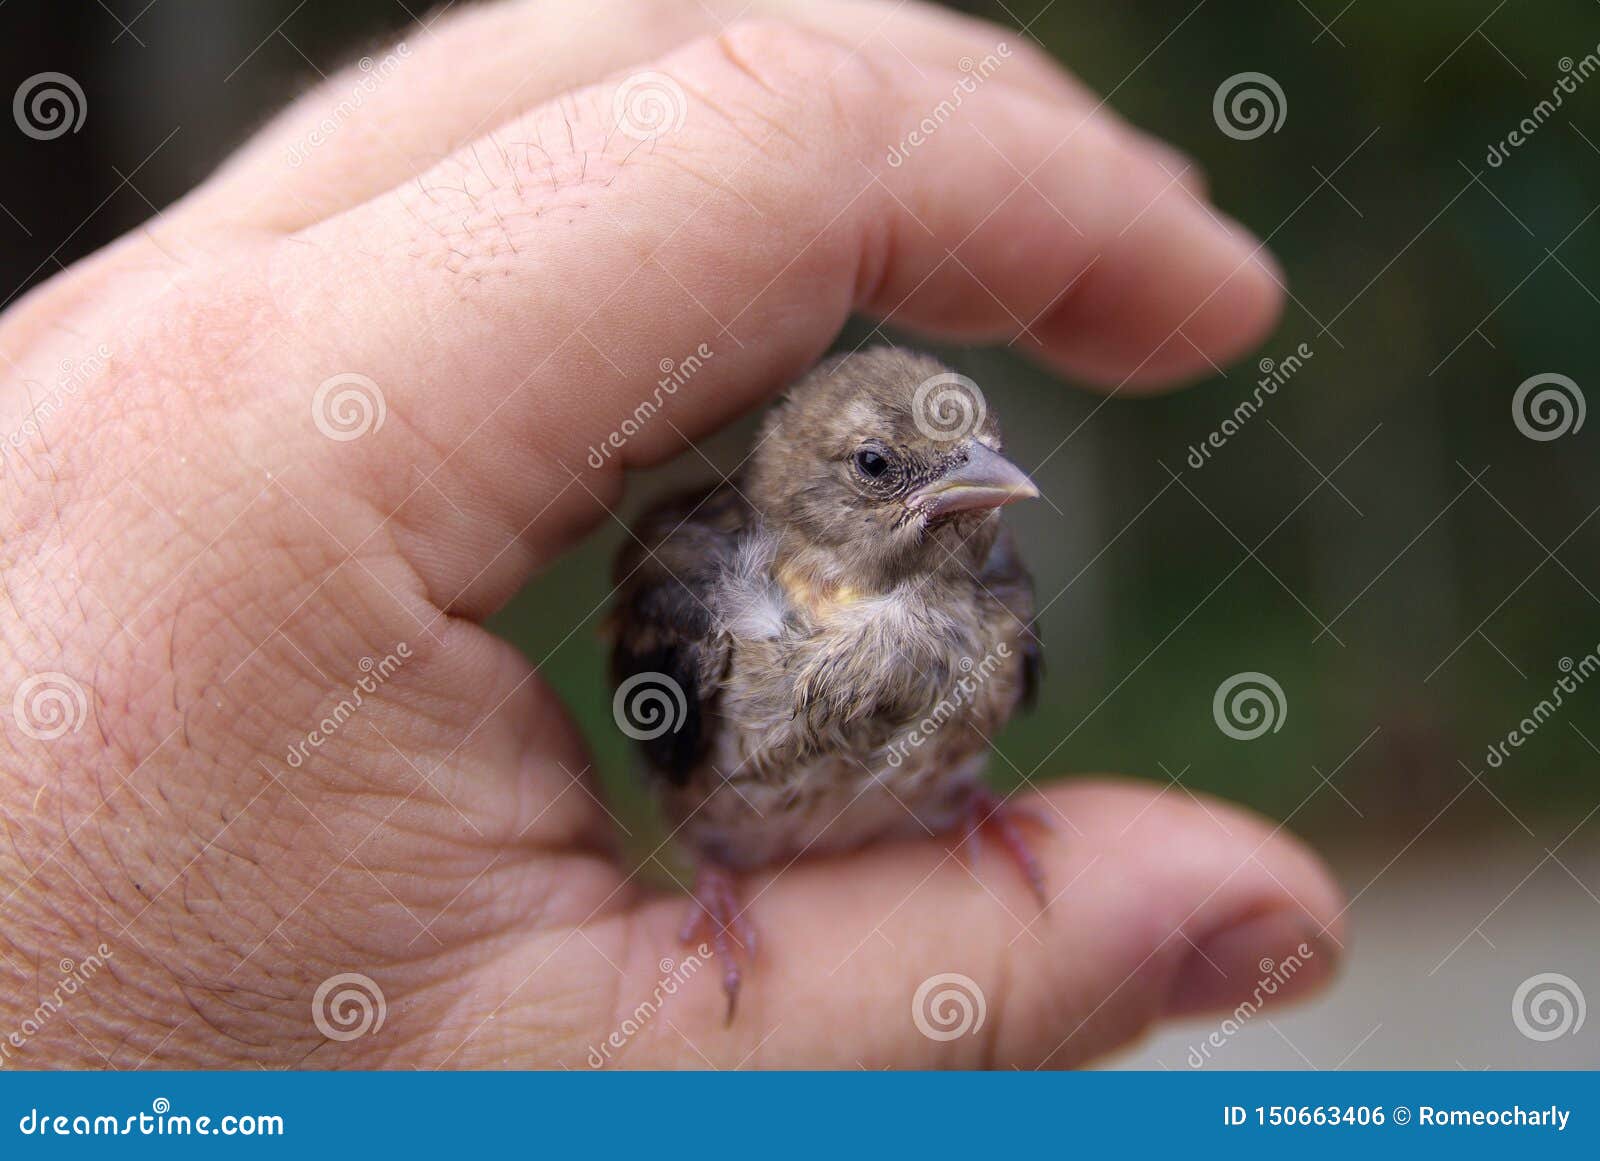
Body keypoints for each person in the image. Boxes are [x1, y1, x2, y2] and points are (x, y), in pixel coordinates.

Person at [0, 0, 1341, 1068]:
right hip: (736, 828)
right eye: (887, 469)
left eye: (970, 458)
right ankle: (721, 881)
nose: (977, 487)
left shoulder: (984, 605)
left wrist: (967, 800)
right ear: (813, 485)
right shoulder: (706, 596)